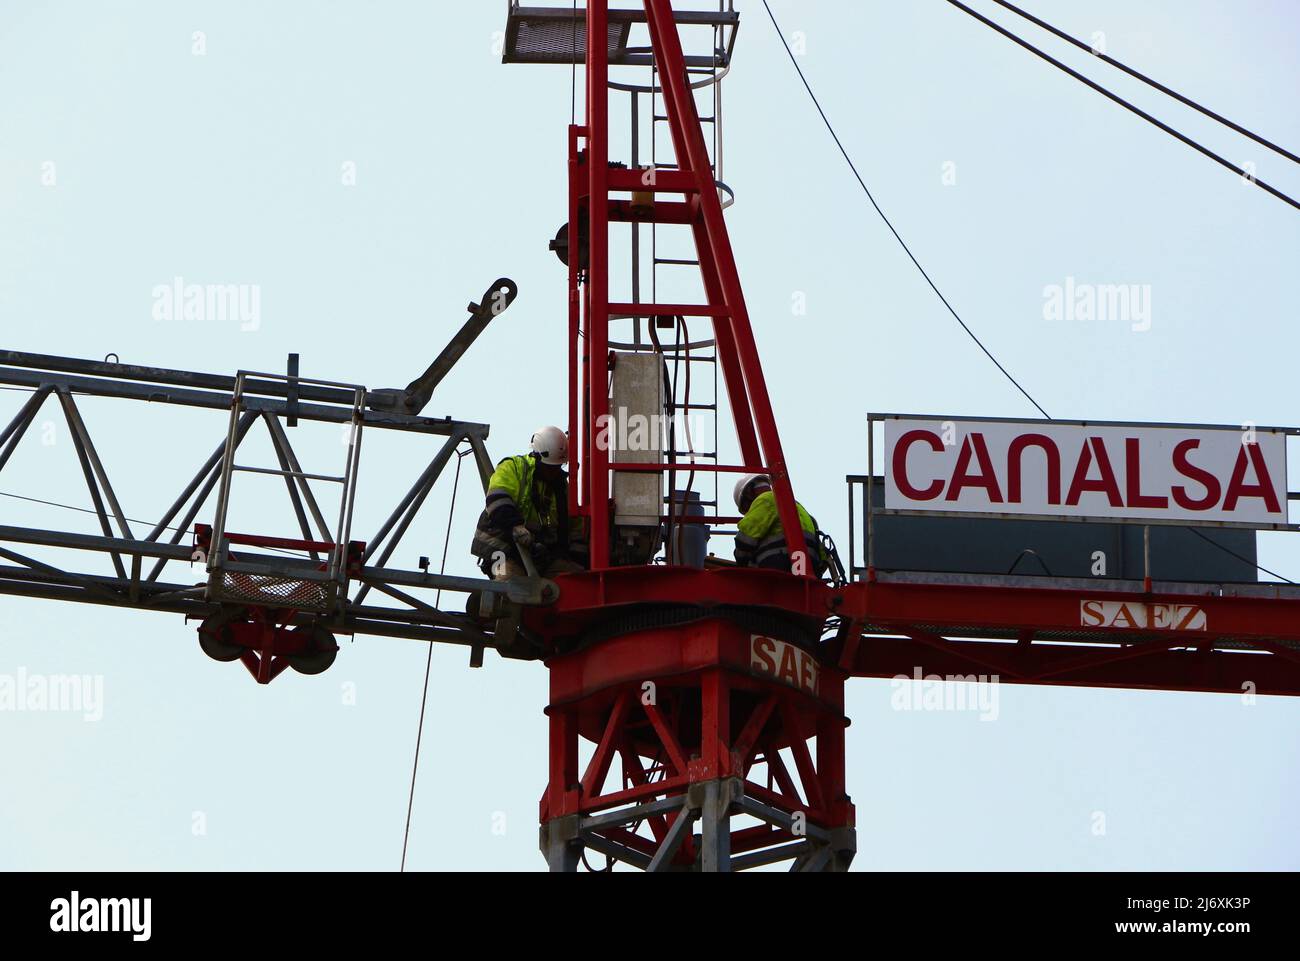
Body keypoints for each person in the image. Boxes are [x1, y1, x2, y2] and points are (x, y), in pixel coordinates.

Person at [471, 426, 585, 580]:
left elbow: (573, 528)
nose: (554, 472)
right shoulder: (513, 468)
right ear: (536, 456)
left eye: (558, 467)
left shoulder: (561, 488)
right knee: (510, 586)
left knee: (574, 582)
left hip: (539, 557)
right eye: (549, 467)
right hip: (503, 550)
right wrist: (516, 527)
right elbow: (497, 502)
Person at [732, 473, 827, 576]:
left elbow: (745, 539)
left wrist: (741, 562)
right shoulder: (796, 506)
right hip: (807, 567)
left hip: (779, 563)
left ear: (749, 493)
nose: (749, 511)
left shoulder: (766, 499)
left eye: (746, 507)